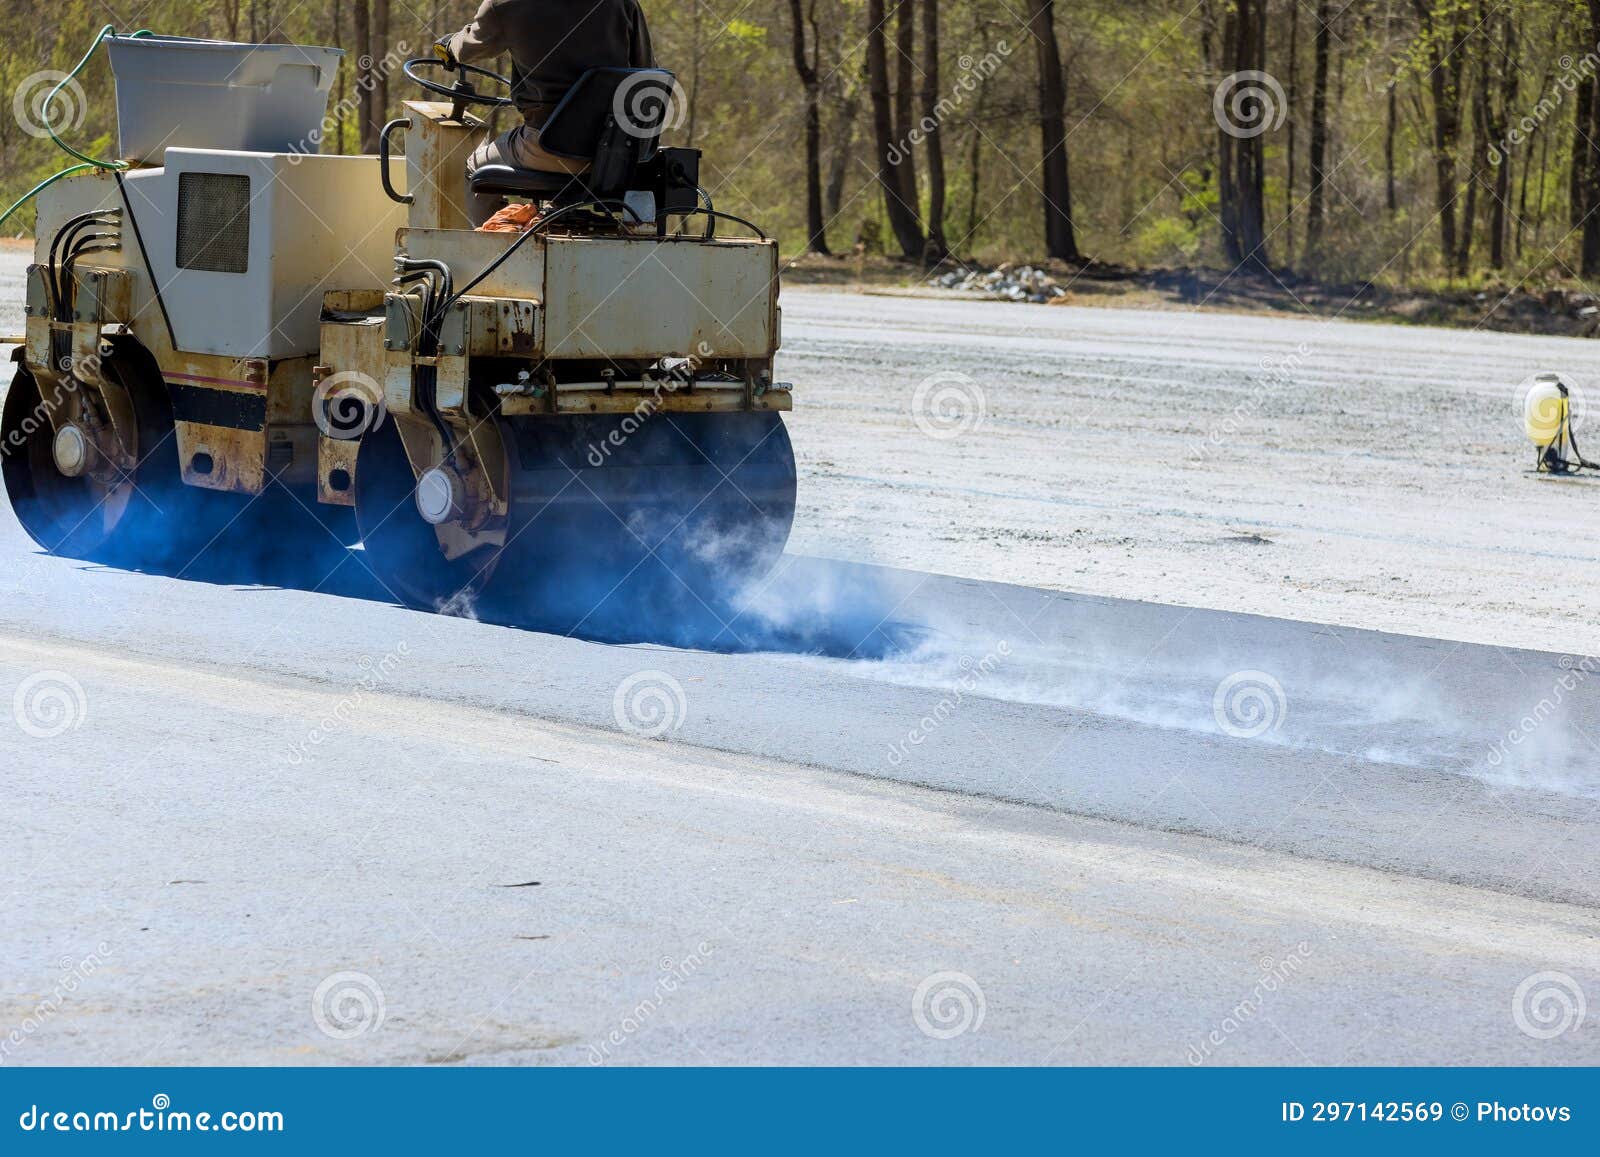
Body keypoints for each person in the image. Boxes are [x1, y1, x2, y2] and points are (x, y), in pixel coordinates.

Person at [435, 0, 655, 225]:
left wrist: (448, 46)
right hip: (619, 154)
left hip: (547, 149)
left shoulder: (504, 5)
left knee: (474, 166)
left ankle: (495, 241)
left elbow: (467, 48)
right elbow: (646, 70)